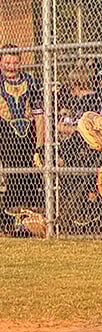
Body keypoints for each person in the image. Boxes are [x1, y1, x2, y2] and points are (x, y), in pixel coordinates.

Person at [0, 45, 43, 222]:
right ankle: (10, 215)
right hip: (4, 131)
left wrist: (40, 145)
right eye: (7, 61)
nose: (11, 66)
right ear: (1, 62)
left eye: (15, 62)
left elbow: (39, 115)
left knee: (29, 173)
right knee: (12, 171)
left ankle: (27, 215)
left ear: (21, 63)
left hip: (26, 136)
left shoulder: (30, 81)